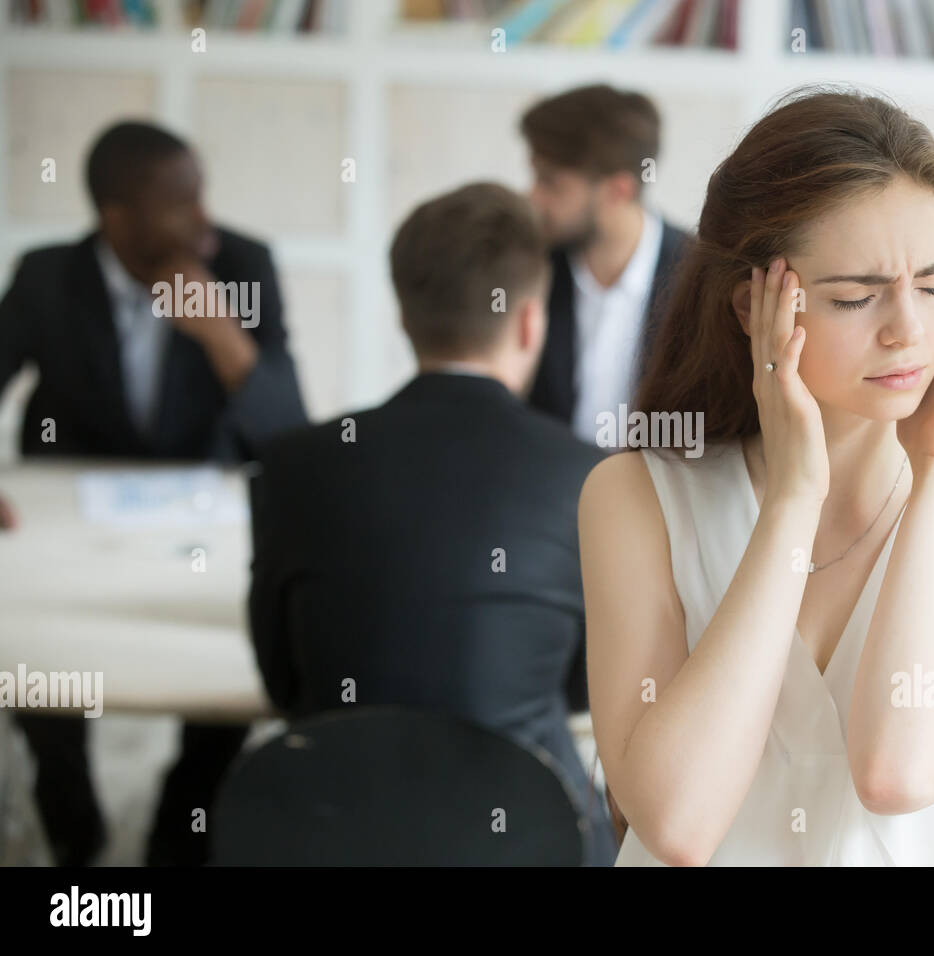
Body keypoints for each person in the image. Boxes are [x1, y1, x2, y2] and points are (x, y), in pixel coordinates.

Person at [579, 86, 934, 867]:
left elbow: (900, 768)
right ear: (751, 308)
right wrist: (793, 499)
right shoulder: (638, 497)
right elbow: (678, 824)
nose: (907, 329)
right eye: (856, 296)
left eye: (933, 286)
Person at [247, 182, 618, 866]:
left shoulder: (296, 463)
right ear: (530, 321)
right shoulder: (591, 475)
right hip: (531, 838)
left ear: (404, 317)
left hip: (335, 832)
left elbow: (283, 680)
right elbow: (583, 683)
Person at [0, 120, 309, 866]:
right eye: (180, 202)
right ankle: (75, 829)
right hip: (69, 520)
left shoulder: (239, 262)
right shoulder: (49, 276)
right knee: (41, 680)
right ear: (116, 216)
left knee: (229, 682)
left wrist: (223, 339)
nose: (203, 219)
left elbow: (291, 435)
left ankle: (179, 830)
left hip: (200, 523)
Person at [519, 83, 692, 448]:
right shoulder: (528, 268)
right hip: (550, 496)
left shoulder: (702, 276)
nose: (533, 197)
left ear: (619, 190)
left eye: (550, 182)